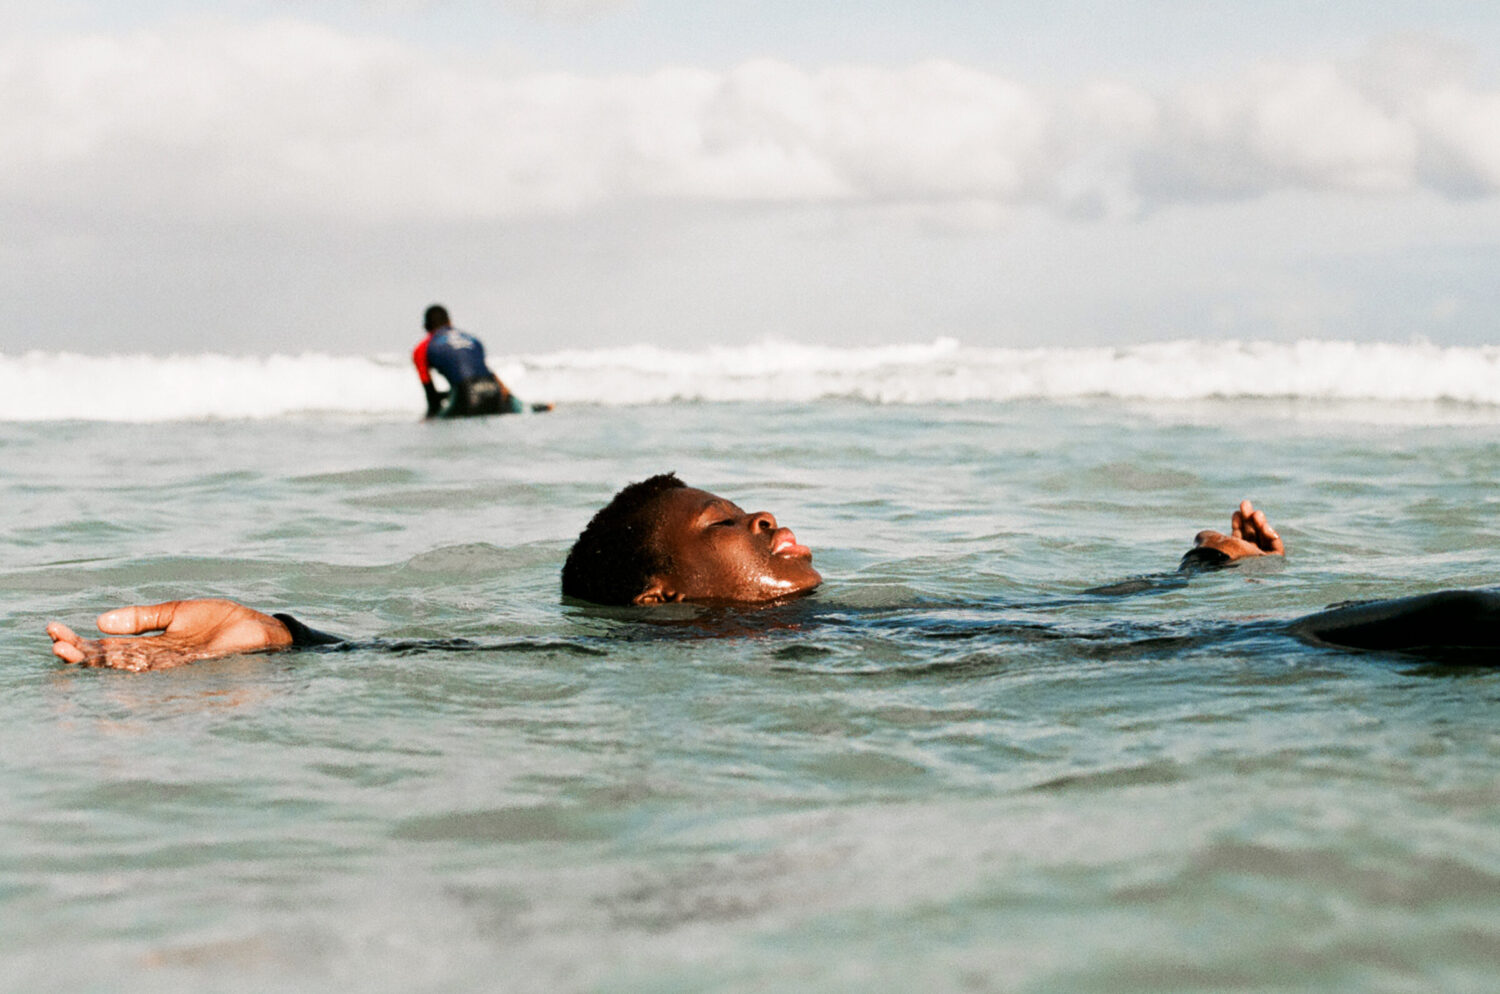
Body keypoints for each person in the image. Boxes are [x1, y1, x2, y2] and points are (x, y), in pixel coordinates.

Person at [43, 476, 1498, 671]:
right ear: (668, 593)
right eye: (735, 524)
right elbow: (477, 666)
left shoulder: (862, 616)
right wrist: (290, 630)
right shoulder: (669, 657)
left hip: (1208, 659)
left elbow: (1049, 620)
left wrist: (1184, 572)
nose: (780, 522)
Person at [412, 304, 524, 418]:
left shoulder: (422, 349)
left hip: (466, 395)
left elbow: (431, 395)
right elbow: (484, 371)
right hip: (493, 391)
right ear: (449, 321)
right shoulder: (472, 339)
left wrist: (429, 418)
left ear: (426, 327)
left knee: (436, 420)